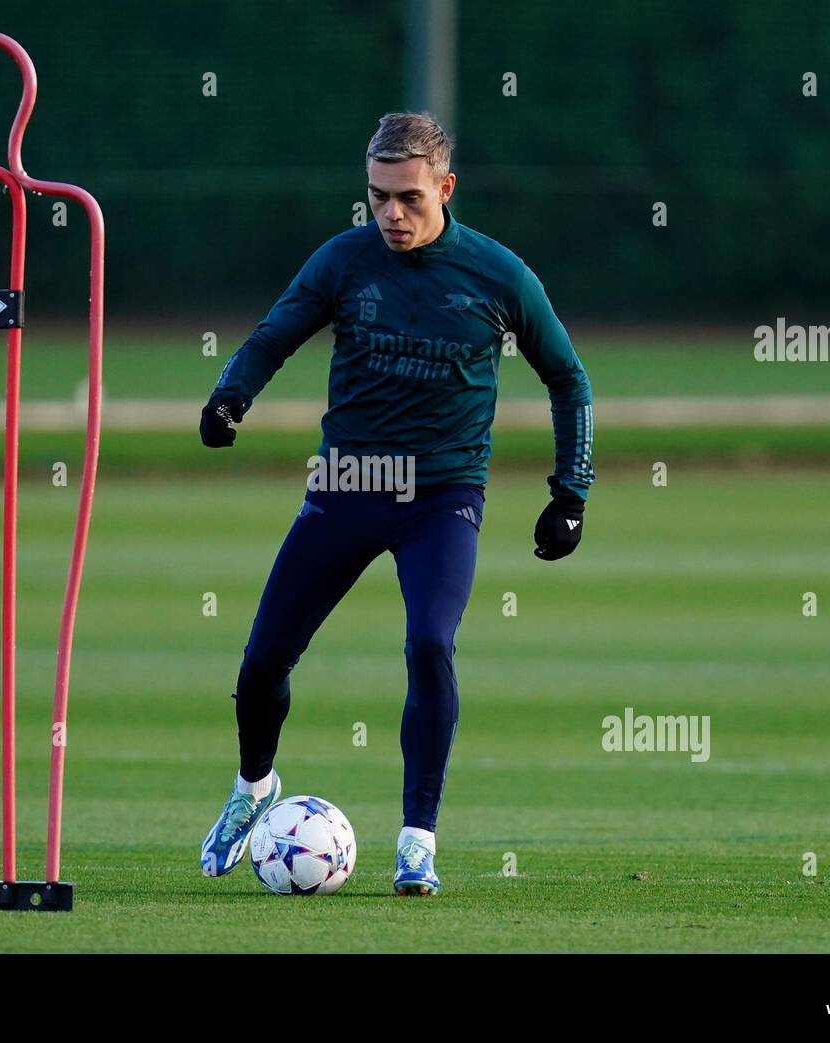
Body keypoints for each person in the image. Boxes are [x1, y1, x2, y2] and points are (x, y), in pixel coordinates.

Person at [198, 111, 594, 895]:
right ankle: (252, 789)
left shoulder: (499, 274)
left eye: (409, 197)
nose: (391, 214)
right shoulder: (345, 261)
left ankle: (417, 839)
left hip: (441, 498)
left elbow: (569, 378)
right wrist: (228, 396)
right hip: (347, 487)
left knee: (428, 643)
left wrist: (570, 492)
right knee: (263, 661)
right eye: (378, 196)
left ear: (445, 188)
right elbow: (274, 334)